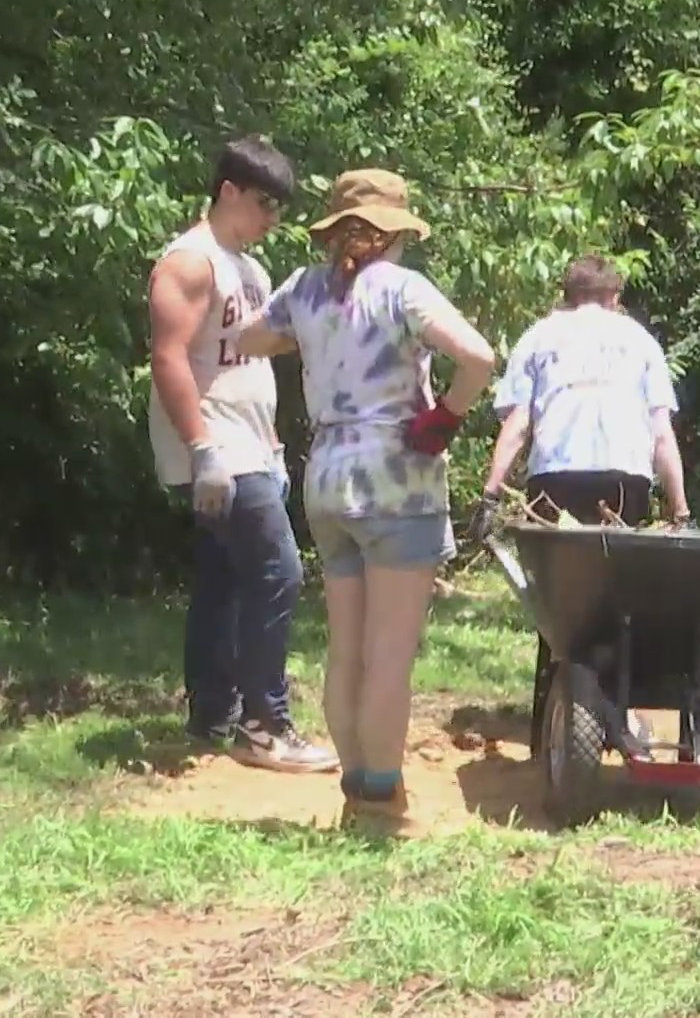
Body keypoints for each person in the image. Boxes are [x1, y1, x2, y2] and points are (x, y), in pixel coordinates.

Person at [235, 168, 497, 835]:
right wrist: (444, 419)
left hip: (327, 473)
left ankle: (357, 787)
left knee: (346, 648)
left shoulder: (304, 287)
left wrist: (312, 340)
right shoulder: (400, 287)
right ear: (394, 233)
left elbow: (248, 341)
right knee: (390, 653)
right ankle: (381, 802)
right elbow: (479, 357)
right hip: (396, 475)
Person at [145, 135, 336, 775]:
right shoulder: (192, 262)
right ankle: (265, 727)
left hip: (252, 445)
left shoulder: (246, 268)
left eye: (279, 207)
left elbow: (248, 358)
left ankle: (213, 717)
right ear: (227, 190)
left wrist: (274, 442)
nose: (271, 219)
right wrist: (202, 450)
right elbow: (169, 357)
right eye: (263, 203)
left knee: (224, 580)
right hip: (217, 447)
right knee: (279, 572)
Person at [463, 253, 690, 754]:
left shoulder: (539, 337)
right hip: (623, 481)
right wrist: (680, 510)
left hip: (555, 480)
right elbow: (660, 434)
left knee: (559, 602)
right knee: (617, 600)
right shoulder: (638, 340)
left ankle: (554, 722)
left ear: (566, 295)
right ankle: (615, 712)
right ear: (615, 298)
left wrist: (490, 494)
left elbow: (518, 423)